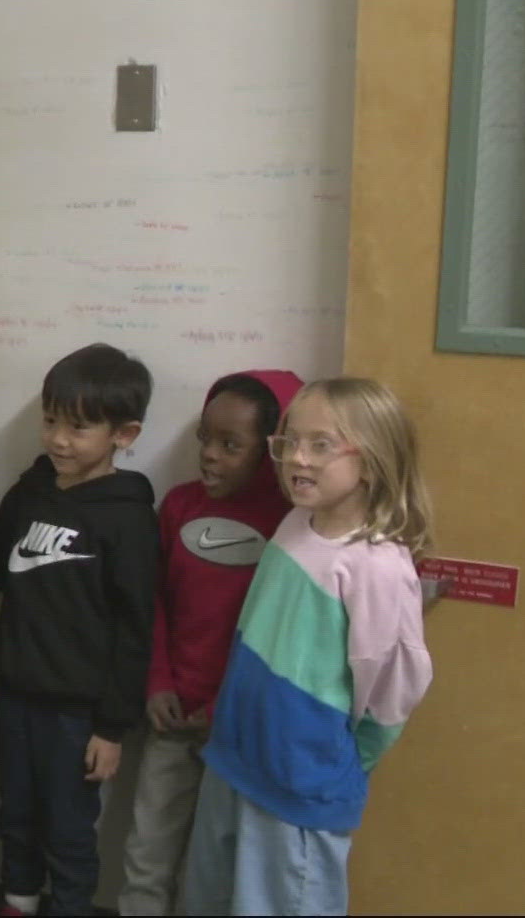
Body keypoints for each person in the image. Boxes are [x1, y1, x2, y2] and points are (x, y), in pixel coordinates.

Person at [179, 378, 434, 916]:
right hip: (236, 762)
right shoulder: (295, 522)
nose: (297, 458)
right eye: (289, 441)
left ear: (372, 459)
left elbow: (391, 694)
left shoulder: (377, 567)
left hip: (298, 789)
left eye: (320, 444)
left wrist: (332, 765)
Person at [0, 343, 159, 917]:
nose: (58, 440)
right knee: (14, 815)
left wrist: (112, 729)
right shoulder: (32, 490)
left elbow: (134, 628)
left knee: (70, 832)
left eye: (78, 427)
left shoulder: (128, 518)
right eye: (51, 421)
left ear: (123, 434)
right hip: (14, 696)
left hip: (79, 716)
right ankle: (18, 904)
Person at [118, 370, 303, 915]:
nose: (211, 456)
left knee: (220, 871)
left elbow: (284, 638)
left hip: (242, 730)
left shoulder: (294, 527)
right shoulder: (179, 508)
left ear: (274, 449)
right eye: (205, 439)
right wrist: (157, 683)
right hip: (172, 721)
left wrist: (225, 708)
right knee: (146, 857)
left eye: (231, 445)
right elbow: (153, 606)